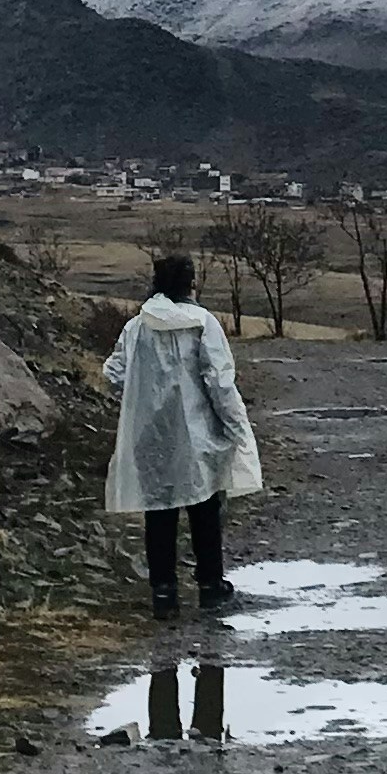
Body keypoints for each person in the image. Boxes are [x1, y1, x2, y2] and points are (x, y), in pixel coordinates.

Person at [104, 250, 263, 616]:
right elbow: (220, 382)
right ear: (190, 283)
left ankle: (164, 594)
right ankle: (211, 587)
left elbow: (113, 374)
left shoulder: (136, 326)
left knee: (159, 514)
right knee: (204, 509)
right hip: (198, 433)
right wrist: (236, 428)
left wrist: (140, 397)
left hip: (150, 435)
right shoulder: (203, 323)